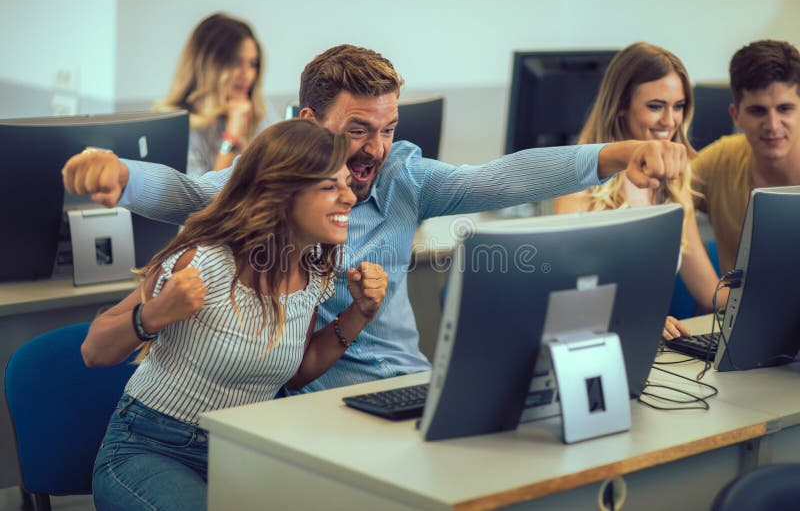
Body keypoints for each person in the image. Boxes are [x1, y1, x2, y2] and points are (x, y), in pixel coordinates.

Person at [63, 44, 686, 394]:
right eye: (357, 130)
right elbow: (187, 194)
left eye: (388, 129)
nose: (375, 149)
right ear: (308, 123)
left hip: (409, 384)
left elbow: (498, 177)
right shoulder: (269, 180)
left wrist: (615, 154)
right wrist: (120, 173)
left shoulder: (403, 178)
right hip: (315, 397)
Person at [80, 119, 389, 510]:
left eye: (347, 183)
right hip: (151, 447)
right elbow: (93, 350)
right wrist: (153, 315)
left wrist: (360, 313)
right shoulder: (202, 260)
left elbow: (299, 369)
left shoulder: (314, 270)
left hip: (241, 451)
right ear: (281, 193)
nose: (349, 197)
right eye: (331, 186)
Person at [553, 43, 724, 340]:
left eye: (679, 106)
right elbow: (564, 297)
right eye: (656, 106)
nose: (670, 121)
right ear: (621, 106)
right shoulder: (580, 185)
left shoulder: (673, 185)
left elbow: (710, 294)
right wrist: (632, 319)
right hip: (593, 346)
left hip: (649, 350)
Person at [692, 39, 800, 275]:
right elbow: (663, 198)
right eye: (757, 111)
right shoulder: (720, 160)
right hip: (738, 310)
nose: (772, 125)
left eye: (784, 109)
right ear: (736, 115)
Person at [155, 12, 268, 175]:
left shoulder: (259, 111)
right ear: (207, 66)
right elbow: (205, 199)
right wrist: (233, 137)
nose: (247, 75)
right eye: (236, 62)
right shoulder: (175, 127)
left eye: (252, 63)